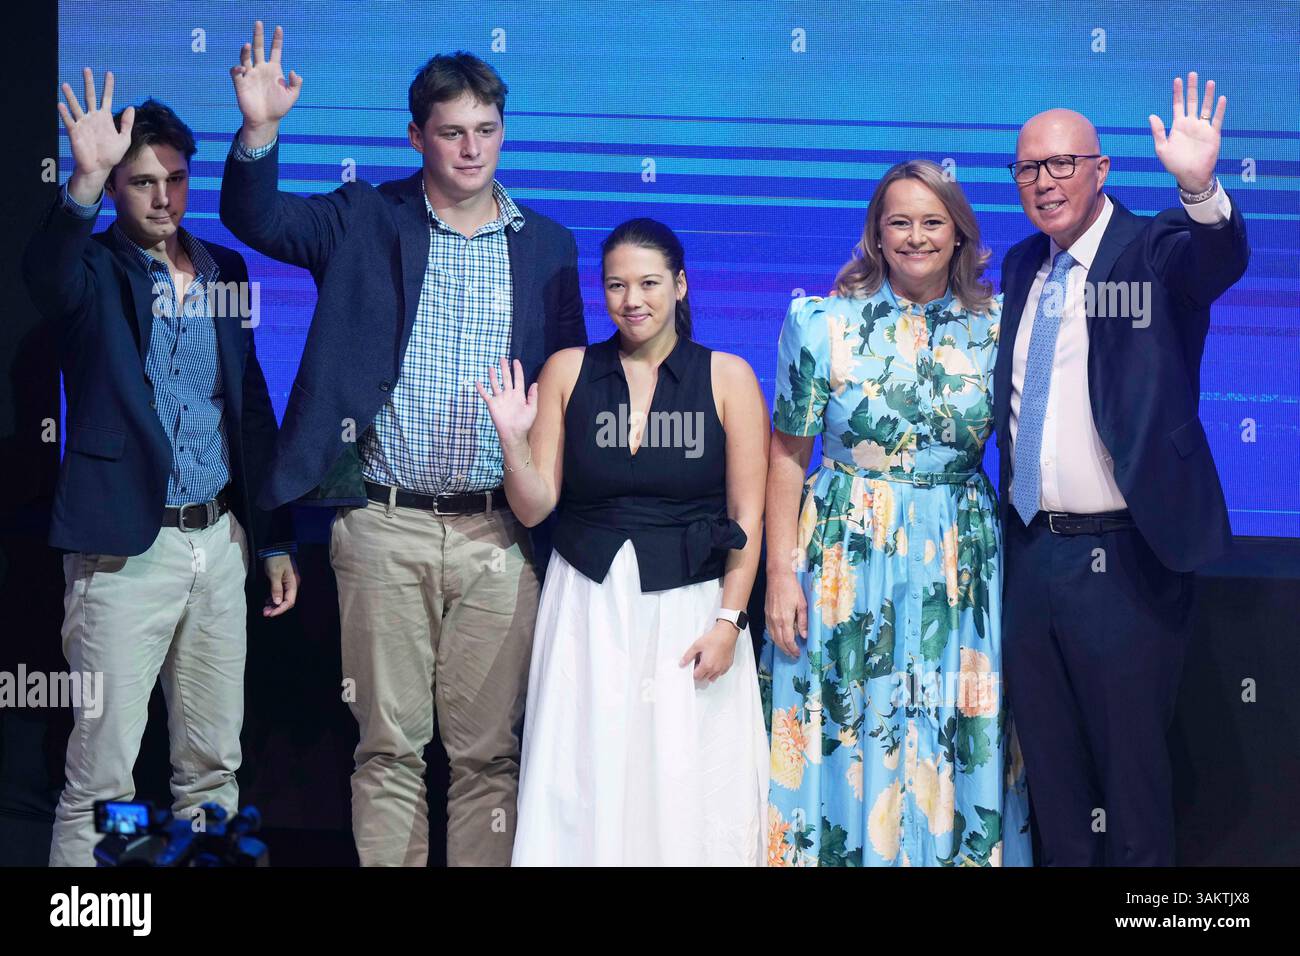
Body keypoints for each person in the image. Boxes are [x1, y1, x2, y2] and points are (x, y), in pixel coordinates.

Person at [219, 23, 585, 866]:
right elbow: (256, 216)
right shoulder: (362, 218)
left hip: (501, 534)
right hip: (384, 526)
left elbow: (562, 389)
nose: (470, 149)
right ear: (415, 135)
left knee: (489, 755)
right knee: (387, 750)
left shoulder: (550, 249)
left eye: (486, 130)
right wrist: (260, 131)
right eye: (451, 131)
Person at [23, 74, 296, 867]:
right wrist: (79, 184)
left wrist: (270, 541)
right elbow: (43, 274)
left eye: (176, 179)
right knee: (101, 778)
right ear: (115, 184)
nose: (164, 197)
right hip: (122, 550)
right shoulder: (92, 273)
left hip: (217, 545)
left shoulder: (225, 274)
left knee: (213, 772)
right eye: (142, 181)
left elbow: (249, 412)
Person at [997, 73, 1249, 866]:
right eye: (1029, 169)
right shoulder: (1017, 269)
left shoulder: (1156, 249)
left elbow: (1218, 259)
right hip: (1031, 558)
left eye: (1064, 163)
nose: (1046, 182)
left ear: (1101, 170)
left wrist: (1200, 186)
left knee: (1134, 792)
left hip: (1128, 560)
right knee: (1054, 787)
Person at [762, 159, 1031, 866]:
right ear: (877, 235)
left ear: (960, 233)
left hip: (960, 562)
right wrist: (779, 577)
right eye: (900, 222)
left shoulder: (999, 326)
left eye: (932, 221)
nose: (916, 236)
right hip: (842, 562)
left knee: (953, 723)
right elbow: (786, 456)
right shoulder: (819, 323)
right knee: (848, 725)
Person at [476, 218, 770, 865]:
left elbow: (748, 518)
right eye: (616, 285)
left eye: (648, 283)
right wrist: (512, 441)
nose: (631, 299)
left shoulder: (728, 377)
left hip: (691, 609)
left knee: (685, 779)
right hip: (587, 605)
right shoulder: (567, 371)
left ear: (681, 285)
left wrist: (729, 620)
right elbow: (534, 507)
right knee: (586, 773)